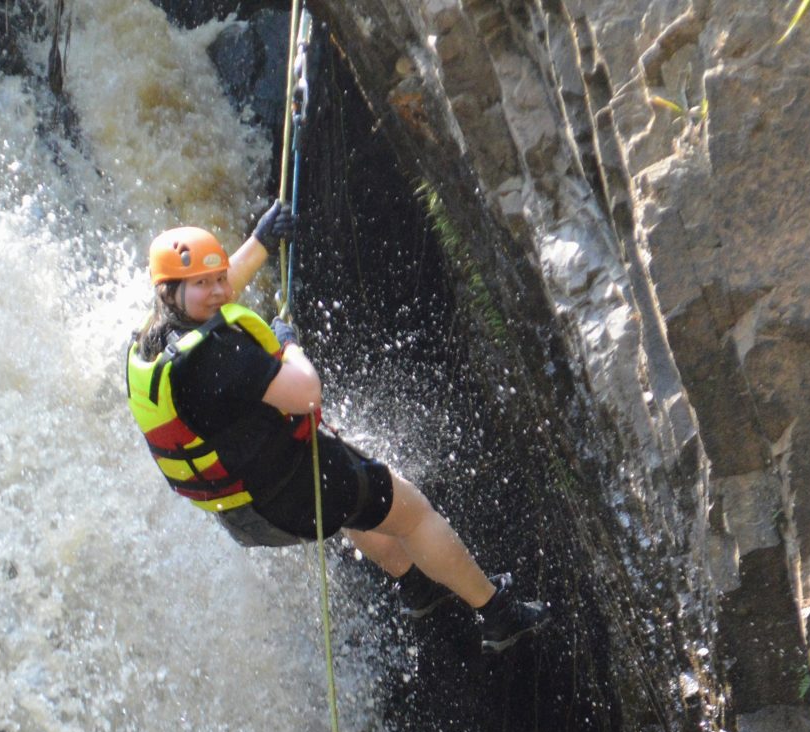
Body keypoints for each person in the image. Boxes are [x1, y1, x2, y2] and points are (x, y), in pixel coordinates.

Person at [126, 200, 549, 653]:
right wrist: (288, 345)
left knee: (349, 501)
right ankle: (498, 615)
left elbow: (214, 299)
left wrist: (260, 243)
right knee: (412, 513)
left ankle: (417, 586)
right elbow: (307, 393)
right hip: (291, 492)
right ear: (170, 291)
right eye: (201, 283)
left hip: (247, 514)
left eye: (219, 277)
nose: (217, 290)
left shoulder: (153, 342)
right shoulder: (220, 358)